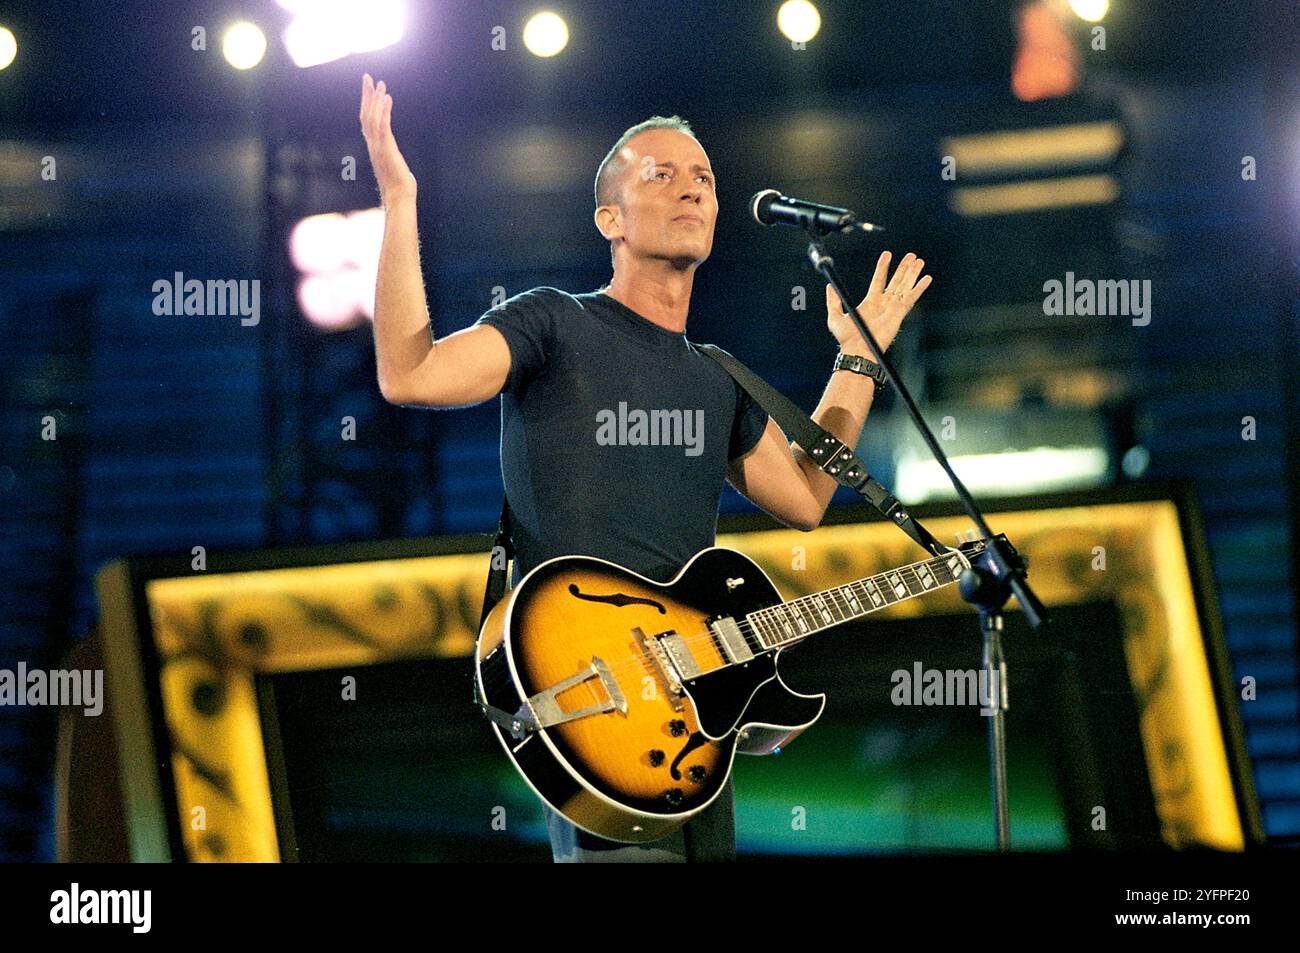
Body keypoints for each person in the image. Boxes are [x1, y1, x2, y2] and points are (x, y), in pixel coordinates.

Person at [358, 74, 932, 861]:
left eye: (704, 179)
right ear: (610, 219)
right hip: (596, 704)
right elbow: (408, 374)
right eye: (660, 174)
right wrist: (399, 201)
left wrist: (858, 360)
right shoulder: (554, 322)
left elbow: (804, 496)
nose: (690, 189)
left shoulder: (717, 375)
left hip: (696, 724)